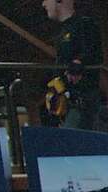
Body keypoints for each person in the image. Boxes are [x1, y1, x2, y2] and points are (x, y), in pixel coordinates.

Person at [41, 0, 102, 130]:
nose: (43, 4)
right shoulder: (62, 31)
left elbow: (94, 53)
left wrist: (79, 63)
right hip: (67, 103)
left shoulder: (84, 24)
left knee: (71, 141)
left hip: (82, 101)